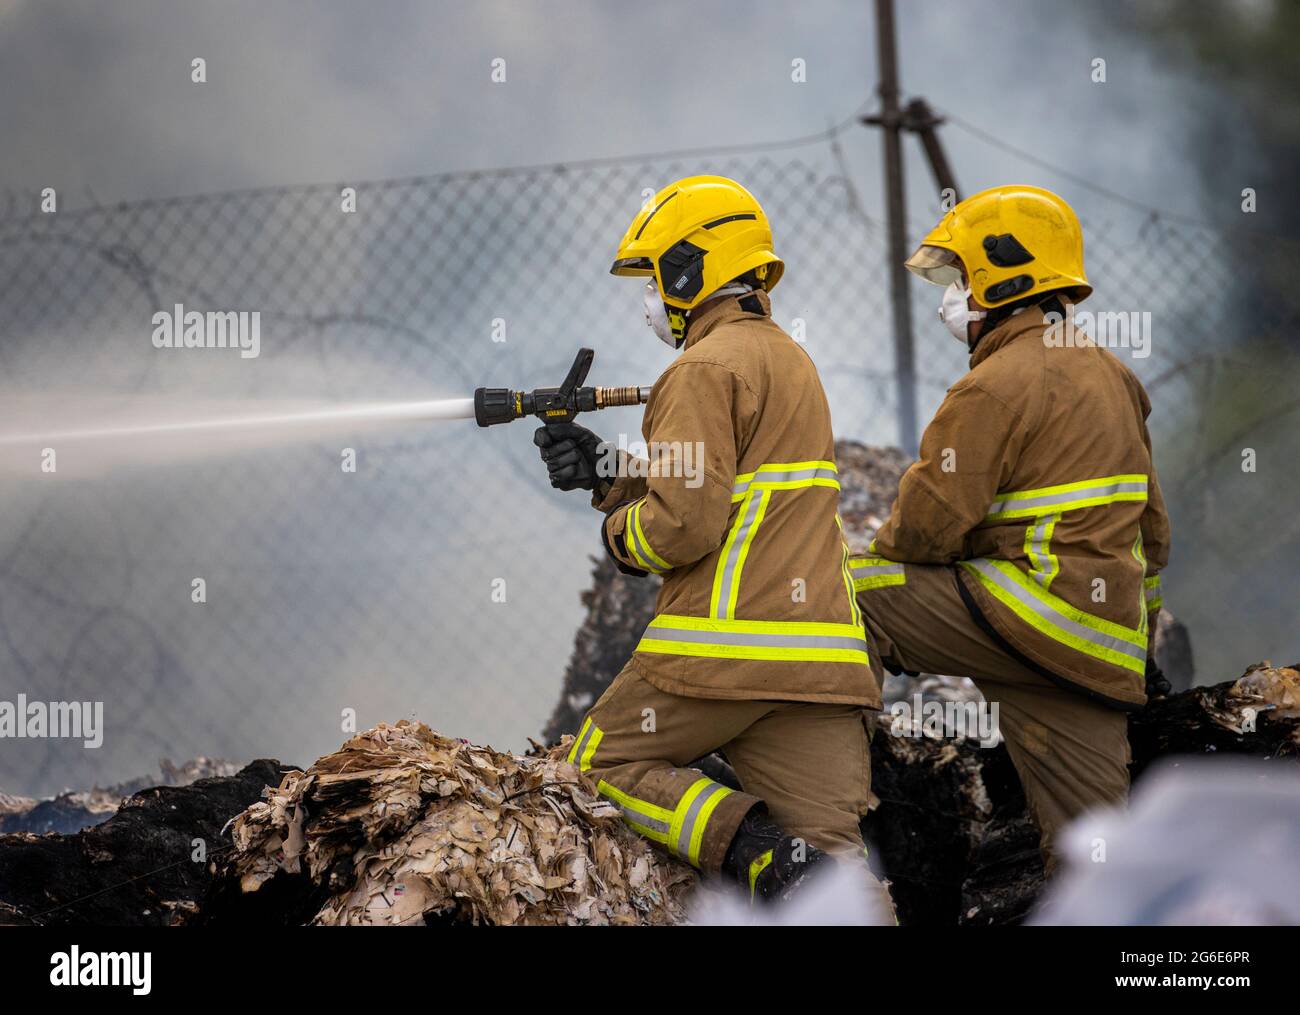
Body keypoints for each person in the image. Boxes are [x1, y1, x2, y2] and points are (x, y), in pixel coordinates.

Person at [535, 175, 891, 913]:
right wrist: (605, 470)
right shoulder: (792, 362)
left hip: (724, 651)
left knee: (597, 766)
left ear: (690, 269)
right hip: (820, 657)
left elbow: (686, 524)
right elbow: (727, 491)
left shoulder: (699, 368)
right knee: (831, 875)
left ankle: (750, 848)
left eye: (653, 275)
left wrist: (618, 532)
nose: (648, 299)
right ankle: (797, 868)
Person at [850, 184, 1172, 872]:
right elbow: (1152, 529)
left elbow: (926, 524)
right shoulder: (1114, 374)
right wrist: (1143, 640)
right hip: (1096, 649)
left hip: (1029, 618)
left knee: (852, 586)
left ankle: (839, 793)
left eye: (959, 278)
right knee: (1095, 862)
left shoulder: (993, 384)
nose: (949, 298)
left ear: (1005, 276)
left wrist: (904, 556)